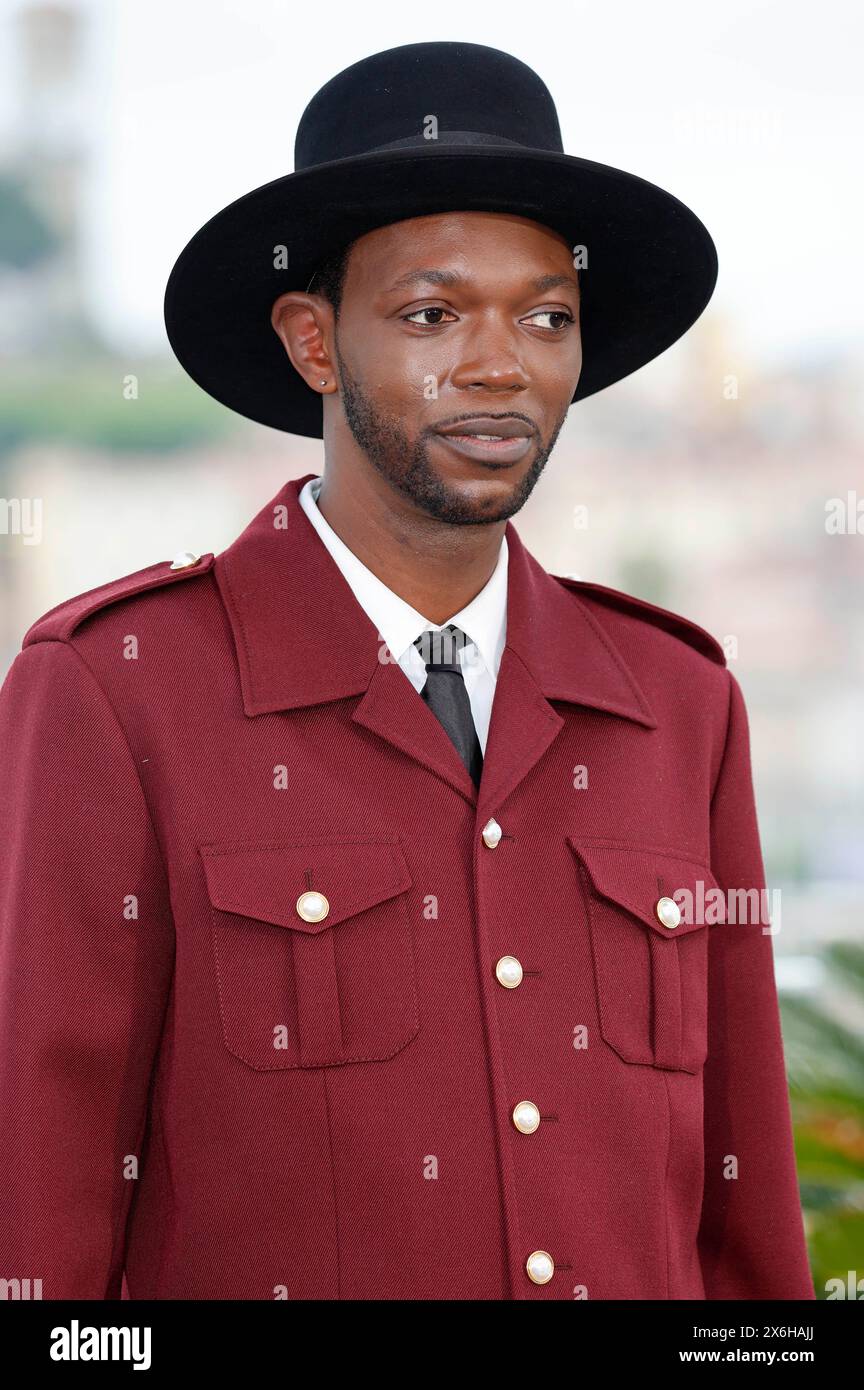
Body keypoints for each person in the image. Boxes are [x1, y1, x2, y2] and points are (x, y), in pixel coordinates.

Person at [0, 40, 814, 1300]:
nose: (500, 365)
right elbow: (36, 1215)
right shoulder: (115, 690)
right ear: (313, 343)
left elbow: (746, 1220)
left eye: (547, 316)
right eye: (432, 314)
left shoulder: (679, 702)